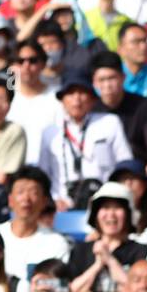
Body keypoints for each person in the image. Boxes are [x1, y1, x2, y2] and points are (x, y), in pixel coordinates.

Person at [39, 71, 133, 210]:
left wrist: (112, 198)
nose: (77, 99)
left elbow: (125, 165)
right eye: (71, 94)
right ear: (62, 100)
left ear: (93, 99)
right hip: (60, 205)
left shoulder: (109, 123)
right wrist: (53, 201)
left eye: (82, 93)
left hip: (104, 203)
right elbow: (43, 174)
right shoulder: (50, 132)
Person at [67, 181, 147, 292]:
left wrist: (110, 261)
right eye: (105, 208)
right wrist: (97, 265)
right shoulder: (81, 249)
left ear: (129, 214)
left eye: (117, 208)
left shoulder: (140, 251)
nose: (111, 214)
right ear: (95, 215)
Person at [0, 166, 71, 280]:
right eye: (20, 192)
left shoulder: (56, 243)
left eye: (34, 192)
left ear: (44, 201)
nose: (26, 198)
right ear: (10, 200)